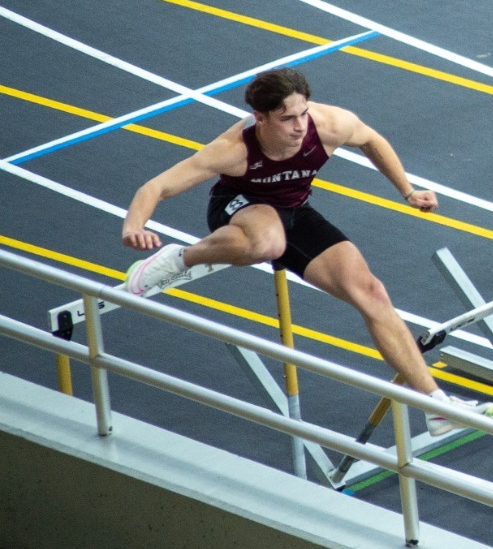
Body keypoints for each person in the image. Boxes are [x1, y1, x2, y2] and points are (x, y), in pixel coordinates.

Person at [122, 67, 468, 436]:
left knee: (371, 293)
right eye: (287, 119)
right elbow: (156, 187)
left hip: (294, 210)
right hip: (240, 208)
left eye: (303, 113)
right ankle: (179, 257)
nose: (300, 126)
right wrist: (133, 227)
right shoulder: (235, 149)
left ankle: (435, 405)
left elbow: (371, 139)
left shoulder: (329, 124)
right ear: (260, 118)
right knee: (268, 242)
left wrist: (408, 191)